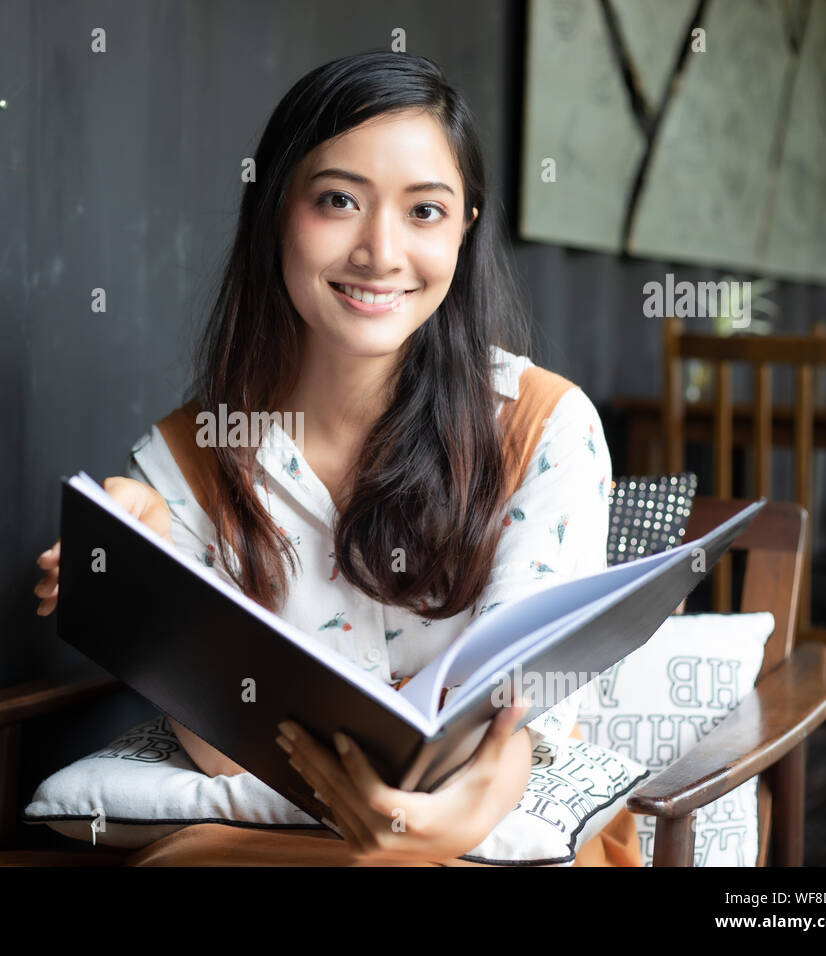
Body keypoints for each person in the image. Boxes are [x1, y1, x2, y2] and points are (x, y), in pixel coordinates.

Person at [35, 50, 640, 866]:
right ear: (275, 212)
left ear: (465, 225)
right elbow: (219, 751)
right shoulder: (192, 457)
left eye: (425, 211)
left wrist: (457, 823)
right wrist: (144, 568)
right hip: (259, 846)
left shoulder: (545, 427)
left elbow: (513, 714)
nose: (380, 251)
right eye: (338, 201)